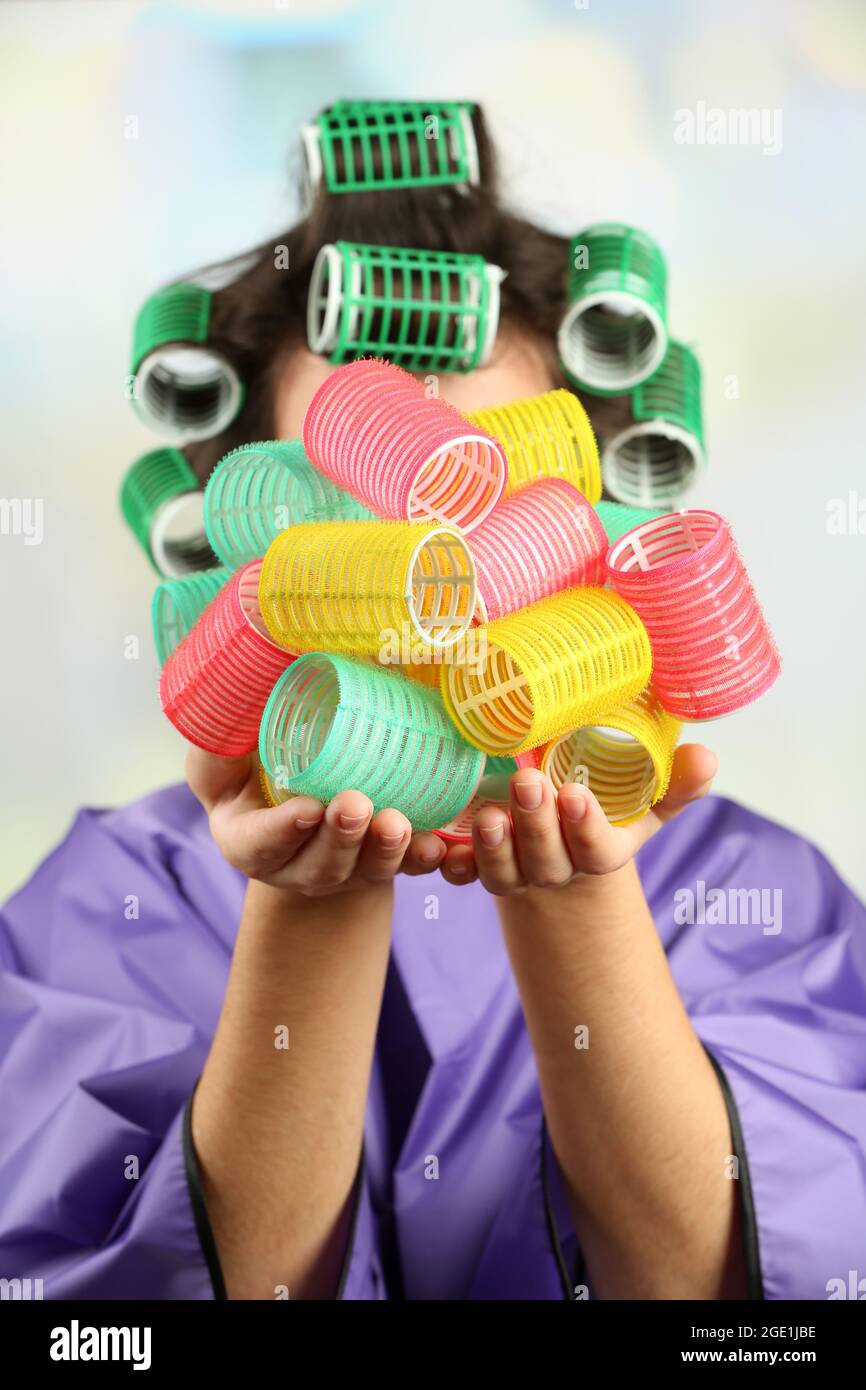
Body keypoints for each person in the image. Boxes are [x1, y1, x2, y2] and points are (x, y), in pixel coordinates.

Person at [2, 109, 865, 1303]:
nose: (430, 582)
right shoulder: (110, 905)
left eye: (487, 498)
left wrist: (580, 902)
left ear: (593, 537)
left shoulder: (748, 898)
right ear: (241, 554)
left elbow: (735, 1306)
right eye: (348, 514)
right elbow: (127, 1312)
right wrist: (311, 897)